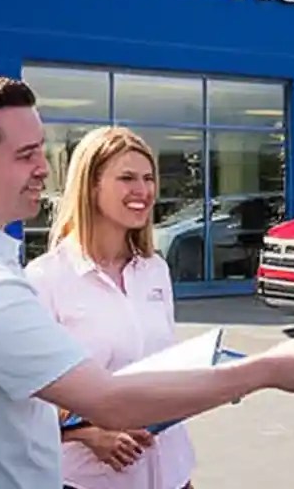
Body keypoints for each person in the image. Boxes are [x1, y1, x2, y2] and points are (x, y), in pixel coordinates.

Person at [0, 71, 294, 489]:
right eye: (25, 155)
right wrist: (269, 369)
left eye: (41, 151)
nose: (44, 169)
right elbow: (107, 402)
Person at [24, 126, 196, 489]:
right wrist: (86, 433)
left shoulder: (155, 270)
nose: (143, 191)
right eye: (127, 178)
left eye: (149, 178)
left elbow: (164, 366)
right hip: (91, 480)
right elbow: (26, 395)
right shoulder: (45, 279)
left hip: (172, 473)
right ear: (91, 186)